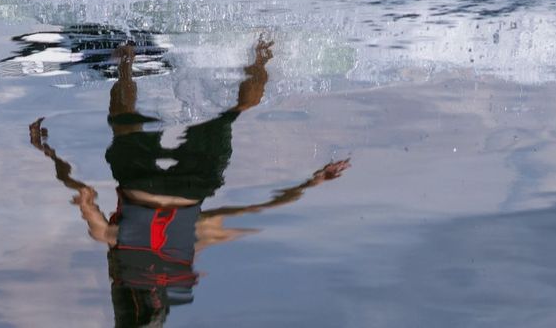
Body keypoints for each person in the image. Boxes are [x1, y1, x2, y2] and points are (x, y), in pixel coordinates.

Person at [29, 37, 350, 326]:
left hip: (194, 183)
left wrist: (314, 180)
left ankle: (262, 48)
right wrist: (48, 152)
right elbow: (85, 192)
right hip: (139, 180)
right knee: (122, 120)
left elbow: (256, 208)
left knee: (236, 110)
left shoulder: (190, 245)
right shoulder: (110, 238)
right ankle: (126, 55)